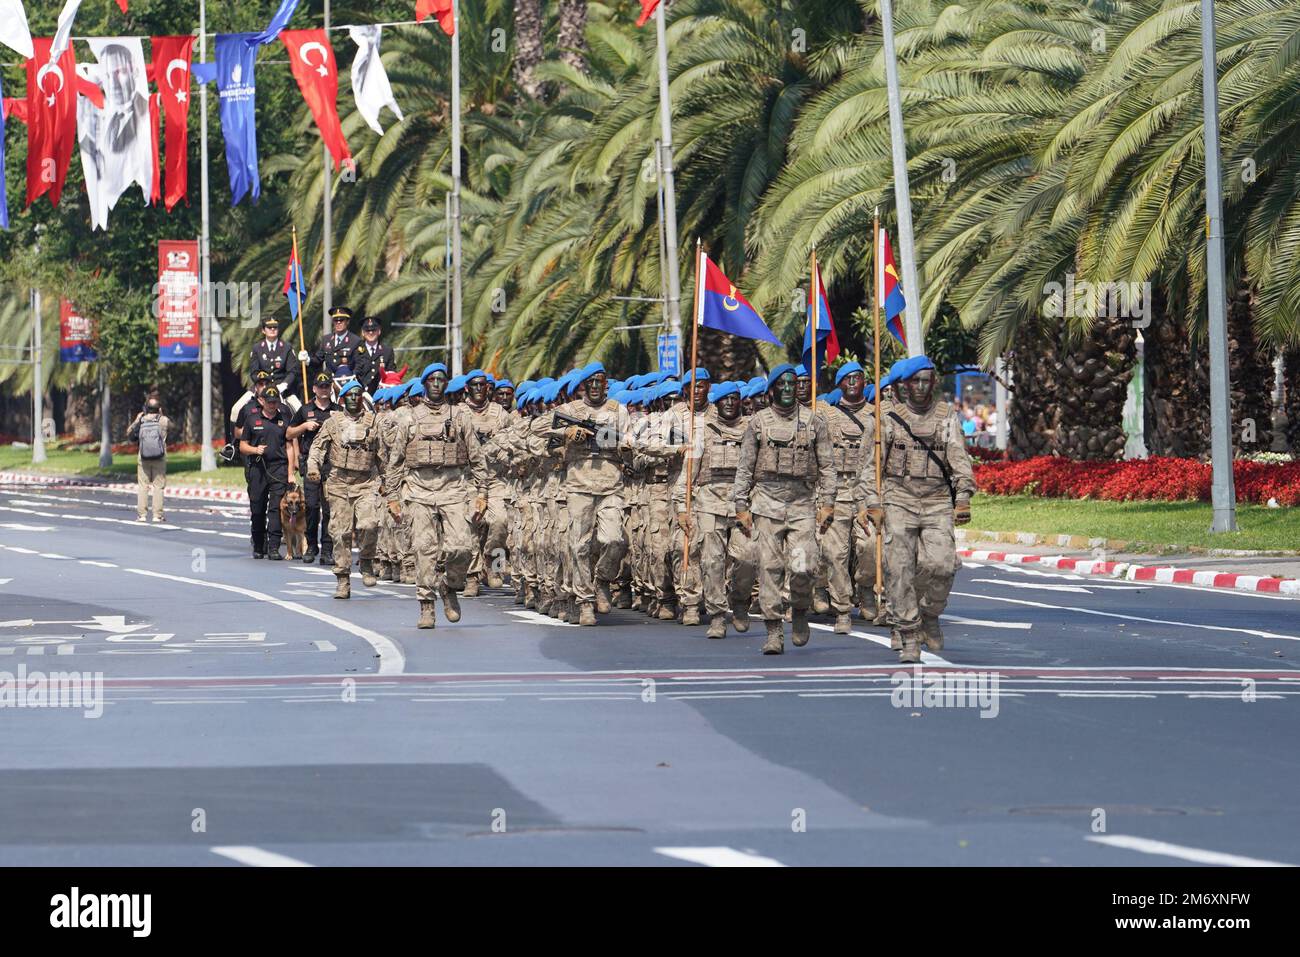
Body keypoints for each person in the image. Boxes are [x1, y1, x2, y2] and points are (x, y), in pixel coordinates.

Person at [857, 356, 977, 663]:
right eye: (916, 381)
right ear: (904, 385)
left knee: (941, 565)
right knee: (899, 569)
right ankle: (908, 633)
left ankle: (930, 612)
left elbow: (958, 458)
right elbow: (869, 467)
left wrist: (963, 495)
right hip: (898, 497)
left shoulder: (945, 416)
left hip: (936, 499)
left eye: (927, 380)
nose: (922, 387)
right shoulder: (884, 418)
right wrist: (873, 502)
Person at [733, 364, 836, 655]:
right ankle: (774, 630)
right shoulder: (758, 423)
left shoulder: (815, 422)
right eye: (783, 384)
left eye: (793, 383)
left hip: (802, 505)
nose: (790, 388)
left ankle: (800, 610)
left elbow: (827, 467)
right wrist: (740, 505)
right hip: (766, 505)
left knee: (802, 566)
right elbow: (745, 467)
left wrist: (828, 503)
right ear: (772, 390)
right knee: (770, 568)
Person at [384, 363, 489, 629]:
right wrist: (393, 498)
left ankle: (450, 585)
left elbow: (477, 458)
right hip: (419, 490)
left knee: (462, 547)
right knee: (424, 549)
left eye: (441, 379)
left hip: (454, 490)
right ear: (424, 384)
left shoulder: (460, 417)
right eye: (431, 379)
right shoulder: (409, 418)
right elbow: (395, 462)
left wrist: (482, 494)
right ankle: (426, 605)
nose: (436, 383)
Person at [547, 362, 632, 626]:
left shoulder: (618, 411)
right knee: (579, 545)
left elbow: (629, 442)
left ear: (606, 384)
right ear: (583, 385)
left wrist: (626, 445)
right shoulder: (569, 411)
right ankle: (584, 601)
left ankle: (603, 580)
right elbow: (549, 444)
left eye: (600, 381)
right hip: (579, 486)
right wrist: (568, 435)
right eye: (590, 382)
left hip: (610, 485)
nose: (595, 386)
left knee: (614, 540)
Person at [675, 380, 756, 639]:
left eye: (734, 398)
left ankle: (740, 601)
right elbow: (689, 472)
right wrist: (681, 507)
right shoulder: (703, 431)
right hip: (709, 503)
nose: (730, 403)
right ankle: (717, 615)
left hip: (742, 503)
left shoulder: (752, 429)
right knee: (712, 562)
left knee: (746, 558)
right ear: (717, 403)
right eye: (725, 399)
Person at [307, 381, 383, 599]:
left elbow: (382, 454)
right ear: (342, 398)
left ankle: (367, 560)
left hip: (366, 483)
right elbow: (317, 448)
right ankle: (342, 579)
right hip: (339, 483)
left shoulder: (373, 422)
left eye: (358, 395)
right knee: (340, 533)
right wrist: (313, 468)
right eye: (349, 395)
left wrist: (389, 480)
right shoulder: (333, 423)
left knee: (369, 525)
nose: (353, 398)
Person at [820, 362, 880, 633]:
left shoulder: (877, 416)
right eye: (848, 378)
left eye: (858, 377)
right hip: (836, 490)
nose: (854, 382)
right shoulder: (826, 417)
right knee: (834, 553)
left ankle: (866, 588)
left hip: (866, 491)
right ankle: (842, 609)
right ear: (840, 384)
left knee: (869, 546)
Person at [461, 369, 514, 595]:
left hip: (495, 479)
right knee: (471, 526)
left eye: (483, 385)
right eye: (475, 385)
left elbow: (512, 441)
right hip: (468, 480)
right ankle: (471, 576)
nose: (480, 389)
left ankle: (494, 565)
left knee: (502, 522)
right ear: (467, 388)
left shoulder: (500, 413)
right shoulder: (458, 413)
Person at [288, 371, 338, 565]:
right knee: (311, 506)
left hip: (331, 464)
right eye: (320, 386)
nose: (324, 390)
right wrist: (304, 427)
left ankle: (327, 550)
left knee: (329, 508)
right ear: (314, 389)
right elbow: (289, 432)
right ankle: (311, 546)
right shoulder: (305, 409)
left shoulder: (338, 410)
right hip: (311, 464)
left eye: (327, 386)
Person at [238, 384, 293, 560]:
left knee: (275, 509)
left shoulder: (284, 418)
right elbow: (242, 446)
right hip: (258, 469)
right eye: (269, 402)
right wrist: (255, 450)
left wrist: (291, 472)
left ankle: (274, 547)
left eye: (275, 401)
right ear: (261, 401)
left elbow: (290, 445)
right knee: (258, 509)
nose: (272, 405)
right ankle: (259, 544)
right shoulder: (252, 420)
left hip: (279, 468)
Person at [230, 317, 302, 426]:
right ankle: (233, 443)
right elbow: (254, 372)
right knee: (235, 410)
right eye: (269, 327)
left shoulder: (286, 348)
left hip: (282, 389)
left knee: (300, 411)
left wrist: (284, 384)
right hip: (260, 388)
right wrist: (261, 385)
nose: (272, 329)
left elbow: (292, 371)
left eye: (275, 327)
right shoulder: (257, 348)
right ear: (263, 330)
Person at [127, 397, 171, 523]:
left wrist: (137, 419)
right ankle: (157, 515)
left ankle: (142, 515)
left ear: (146, 409)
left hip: (143, 457)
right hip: (160, 457)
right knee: (158, 486)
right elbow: (172, 427)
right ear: (159, 409)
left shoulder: (141, 420)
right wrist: (162, 416)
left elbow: (129, 432)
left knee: (143, 486)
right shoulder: (163, 420)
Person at [314, 306, 367, 381]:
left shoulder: (355, 341)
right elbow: (318, 359)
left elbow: (360, 364)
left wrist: (352, 377)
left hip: (347, 380)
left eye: (341, 320)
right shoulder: (326, 339)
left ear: (347, 322)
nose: (338, 322)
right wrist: (307, 360)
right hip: (329, 382)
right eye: (336, 320)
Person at [357, 317, 394, 395]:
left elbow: (391, 374)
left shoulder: (387, 351)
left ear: (379, 331)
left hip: (381, 394)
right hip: (360, 394)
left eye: (374, 330)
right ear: (363, 333)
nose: (371, 333)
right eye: (367, 330)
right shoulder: (356, 351)